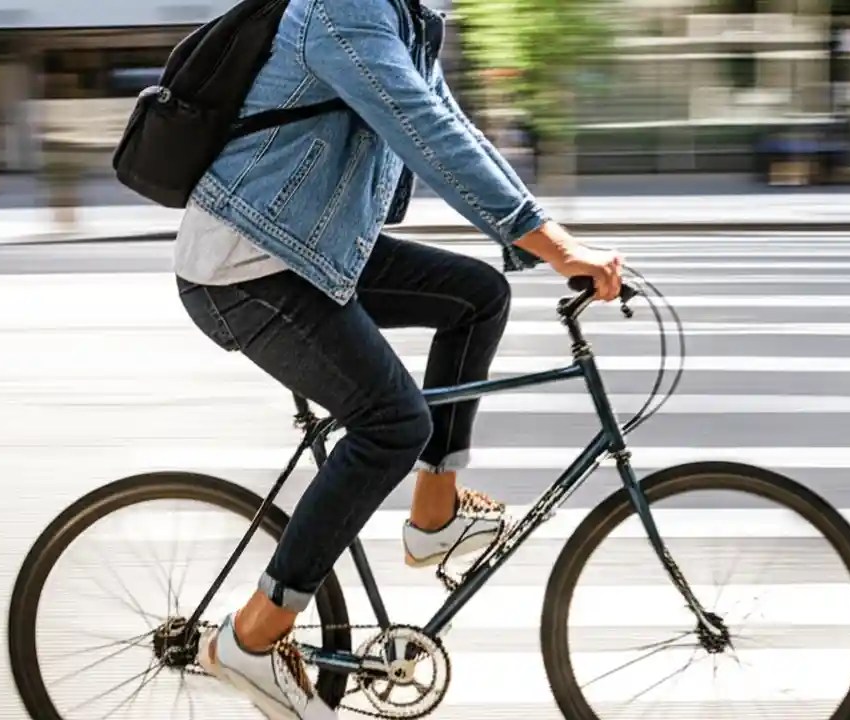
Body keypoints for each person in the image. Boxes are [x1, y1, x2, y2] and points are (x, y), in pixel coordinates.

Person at [176, 0, 622, 717]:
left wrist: (545, 237)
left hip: (311, 244)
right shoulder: (345, 10)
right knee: (392, 423)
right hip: (245, 264)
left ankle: (434, 517)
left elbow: (455, 128)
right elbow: (427, 136)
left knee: (477, 296)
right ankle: (253, 638)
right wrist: (556, 246)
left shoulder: (404, 17)